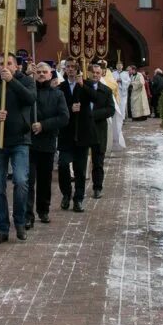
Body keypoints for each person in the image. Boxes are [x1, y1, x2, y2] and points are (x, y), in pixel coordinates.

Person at [0, 54, 35, 243]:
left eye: (9, 64)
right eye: (1, 63)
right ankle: (2, 228)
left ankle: (19, 221)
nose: (5, 67)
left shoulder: (26, 81)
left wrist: (12, 82)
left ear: (16, 66)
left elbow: (30, 99)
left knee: (20, 181)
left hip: (20, 140)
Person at [26, 61, 68, 229]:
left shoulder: (58, 95)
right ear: (35, 74)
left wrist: (43, 125)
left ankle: (43, 210)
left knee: (45, 179)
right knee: (28, 181)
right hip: (29, 143)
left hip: (48, 142)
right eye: (39, 72)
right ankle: (28, 215)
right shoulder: (29, 93)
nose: (42, 74)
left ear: (51, 74)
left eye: (45, 72)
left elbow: (64, 117)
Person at [56, 60, 98, 213]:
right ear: (65, 69)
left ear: (78, 69)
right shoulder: (61, 87)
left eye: (74, 67)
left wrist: (83, 86)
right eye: (68, 67)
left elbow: (96, 98)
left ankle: (78, 199)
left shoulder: (85, 84)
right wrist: (69, 108)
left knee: (80, 169)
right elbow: (56, 107)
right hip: (66, 133)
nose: (71, 70)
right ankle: (66, 194)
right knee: (62, 165)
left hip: (82, 133)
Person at [87, 62, 117, 200]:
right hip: (83, 129)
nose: (95, 75)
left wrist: (94, 115)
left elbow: (111, 109)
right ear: (88, 73)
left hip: (99, 130)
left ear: (101, 74)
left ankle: (97, 187)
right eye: (93, 72)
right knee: (81, 160)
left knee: (98, 161)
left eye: (98, 73)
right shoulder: (83, 87)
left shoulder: (106, 90)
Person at [111, 62, 129, 150]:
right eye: (117, 65)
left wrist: (122, 81)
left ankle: (122, 119)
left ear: (122, 66)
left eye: (120, 65)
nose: (119, 66)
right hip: (115, 93)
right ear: (116, 66)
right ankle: (117, 121)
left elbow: (128, 82)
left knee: (122, 107)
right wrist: (115, 81)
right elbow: (110, 82)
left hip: (122, 93)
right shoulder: (113, 73)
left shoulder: (125, 73)